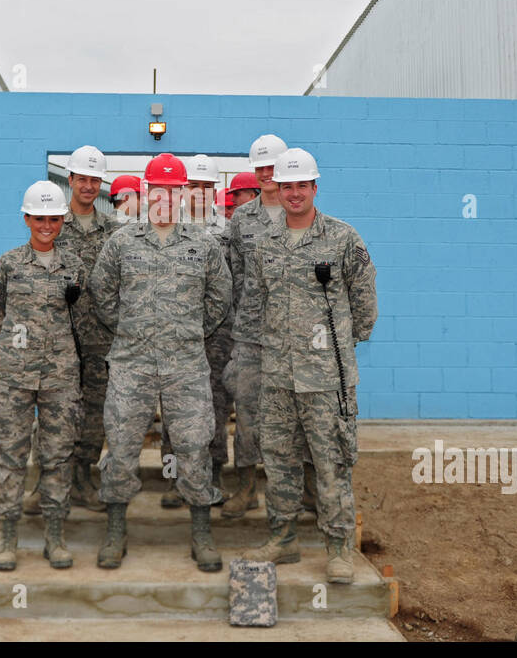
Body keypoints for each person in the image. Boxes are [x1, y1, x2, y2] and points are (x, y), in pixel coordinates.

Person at [88, 153, 232, 571]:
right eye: (158, 190)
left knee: (193, 448)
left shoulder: (203, 244)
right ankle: (116, 531)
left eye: (174, 189)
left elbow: (219, 299)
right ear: (147, 192)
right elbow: (102, 293)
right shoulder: (122, 242)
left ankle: (201, 535)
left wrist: (187, 331)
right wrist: (131, 329)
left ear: (185, 193)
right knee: (121, 447)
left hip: (186, 365)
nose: (166, 197)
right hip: (131, 364)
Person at [242, 149, 378, 584]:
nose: (294, 193)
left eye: (302, 185)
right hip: (278, 375)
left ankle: (339, 548)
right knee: (279, 460)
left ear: (315, 188)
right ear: (277, 190)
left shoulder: (343, 239)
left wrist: (334, 345)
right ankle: (282, 538)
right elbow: (257, 299)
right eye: (287, 186)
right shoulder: (265, 244)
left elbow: (364, 303)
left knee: (331, 461)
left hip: (326, 379)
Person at [0, 181, 87, 572]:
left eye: (54, 219)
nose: (47, 225)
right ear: (26, 218)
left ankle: (54, 538)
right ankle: (6, 539)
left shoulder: (74, 266)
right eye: (39, 218)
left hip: (60, 378)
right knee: (12, 457)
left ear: (62, 220)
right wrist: (15, 354)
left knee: (57, 458)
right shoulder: (7, 265)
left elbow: (81, 319)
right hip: (14, 379)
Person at [220, 133, 288, 518]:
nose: (265, 174)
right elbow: (233, 275)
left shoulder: (302, 213)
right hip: (248, 335)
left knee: (291, 414)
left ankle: (298, 489)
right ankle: (245, 487)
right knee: (246, 412)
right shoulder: (242, 219)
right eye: (259, 167)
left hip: (291, 334)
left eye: (271, 167)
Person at [52, 146, 120, 513]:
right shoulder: (53, 223)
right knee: (55, 410)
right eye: (83, 179)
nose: (89, 186)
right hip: (59, 338)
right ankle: (50, 482)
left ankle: (82, 478)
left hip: (100, 338)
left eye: (96, 180)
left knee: (95, 410)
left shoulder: (114, 231)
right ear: (71, 179)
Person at [160, 154, 228, 509]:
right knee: (173, 406)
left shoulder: (227, 231)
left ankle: (211, 474)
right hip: (175, 334)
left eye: (207, 186)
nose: (200, 192)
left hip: (216, 335)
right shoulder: (169, 228)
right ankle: (173, 477)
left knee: (213, 404)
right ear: (185, 191)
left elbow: (229, 286)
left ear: (215, 190)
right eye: (195, 187)